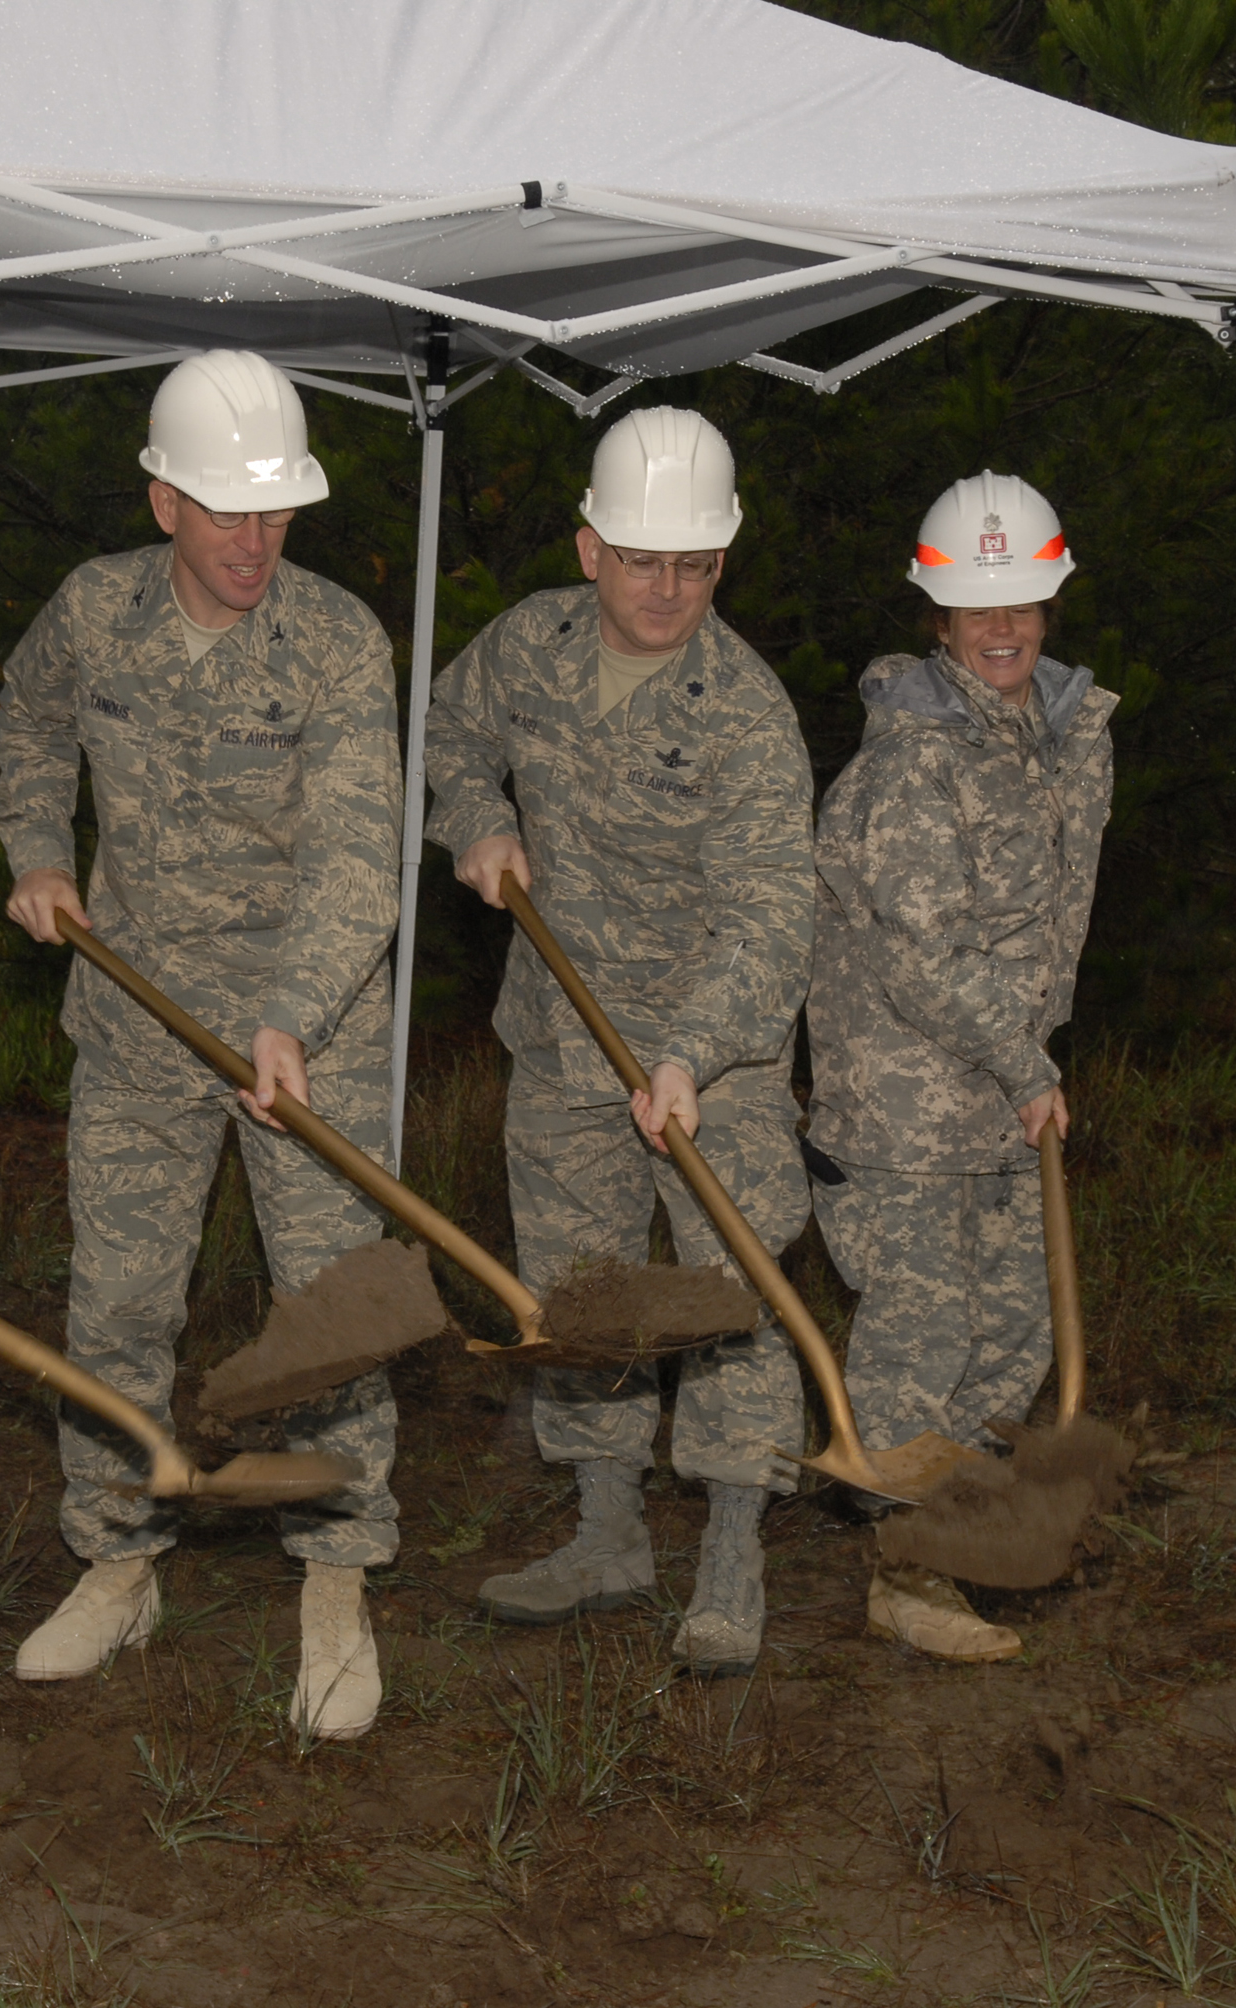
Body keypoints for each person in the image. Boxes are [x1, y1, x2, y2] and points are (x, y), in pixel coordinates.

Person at [0, 351, 403, 1740]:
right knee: (117, 1305)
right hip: (135, 1021)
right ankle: (119, 1561)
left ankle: (336, 1580)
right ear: (164, 500)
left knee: (331, 1316)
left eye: (277, 511)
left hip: (307, 1034)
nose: (255, 540)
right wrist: (38, 849)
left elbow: (357, 854)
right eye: (228, 508)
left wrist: (291, 1015)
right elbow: (31, 721)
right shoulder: (91, 611)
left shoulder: (336, 639)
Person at [424, 407, 816, 1676]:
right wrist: (476, 819)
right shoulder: (527, 645)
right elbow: (445, 731)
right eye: (643, 560)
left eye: (695, 564)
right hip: (562, 1032)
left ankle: (732, 1552)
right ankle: (607, 1535)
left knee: (731, 1295)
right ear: (590, 548)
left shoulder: (745, 712)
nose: (668, 589)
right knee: (582, 1292)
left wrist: (690, 1053)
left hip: (715, 1058)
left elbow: (772, 919)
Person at [805, 469, 1115, 1663]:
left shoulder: (1067, 735)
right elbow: (922, 961)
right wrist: (1025, 1064)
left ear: (1050, 603)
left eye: (1022, 602)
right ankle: (905, 1576)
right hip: (905, 1111)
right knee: (920, 1345)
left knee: (1014, 1336)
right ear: (937, 615)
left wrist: (1028, 1060)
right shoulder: (910, 764)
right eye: (978, 607)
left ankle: (963, 1536)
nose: (1003, 628)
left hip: (1003, 1091)